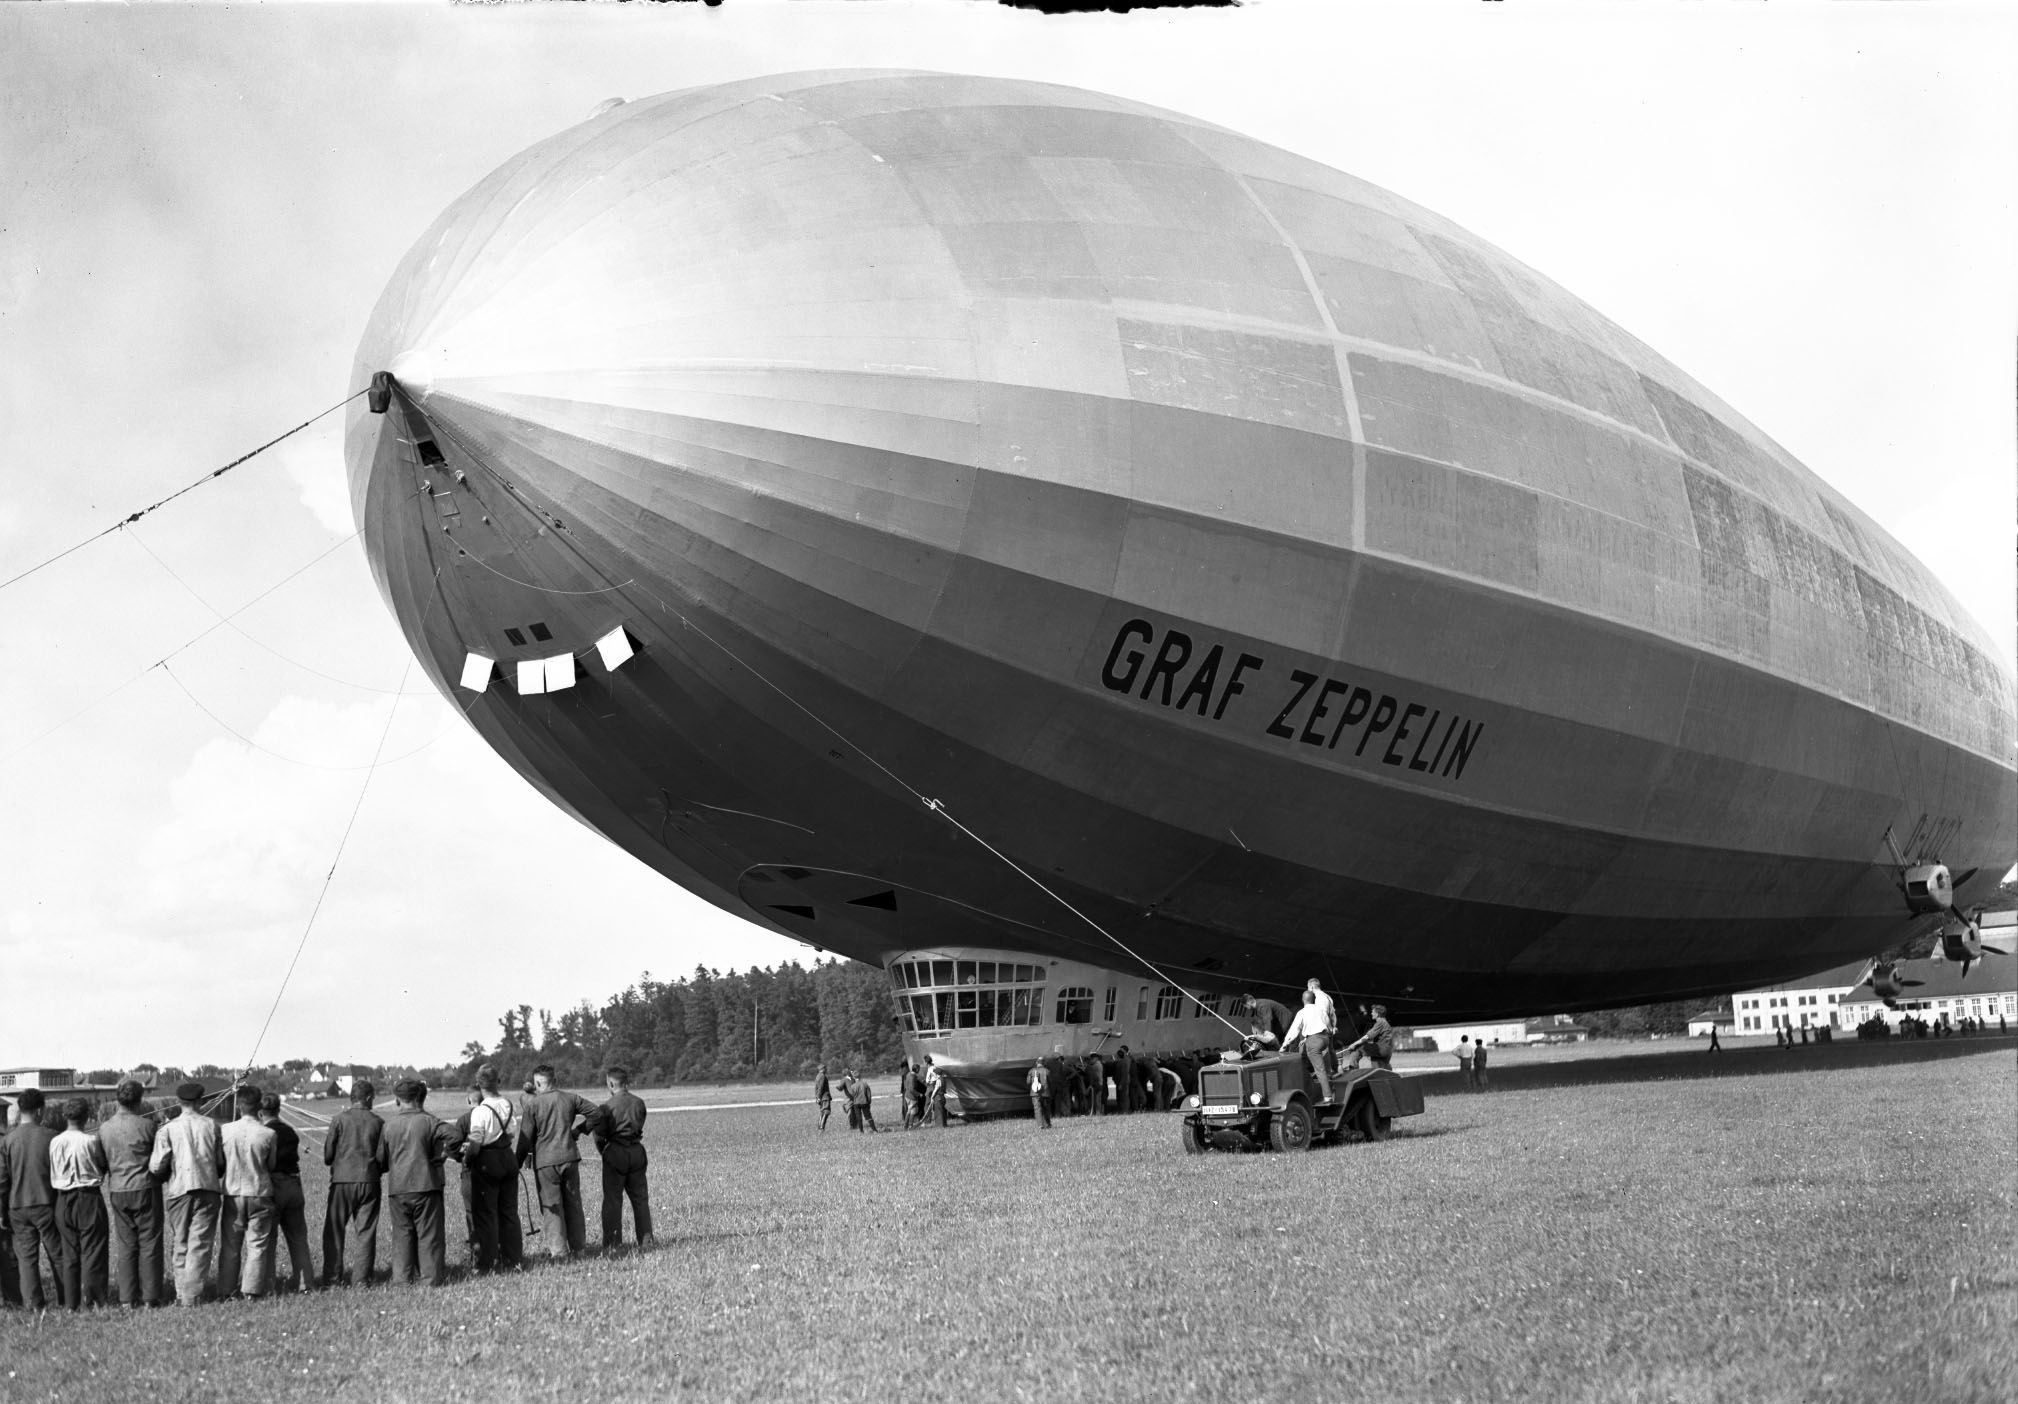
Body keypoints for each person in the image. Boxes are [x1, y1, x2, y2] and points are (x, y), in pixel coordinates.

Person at [149, 1082, 225, 1307]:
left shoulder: (167, 1130)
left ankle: (182, 1294)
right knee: (200, 1243)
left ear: (179, 1102)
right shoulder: (212, 1125)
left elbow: (156, 1166)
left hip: (179, 1191)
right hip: (208, 1188)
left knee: (180, 1241)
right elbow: (220, 1161)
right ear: (200, 1101)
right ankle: (192, 1295)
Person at [377, 1079, 454, 1287]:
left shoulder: (388, 1126)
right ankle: (430, 1280)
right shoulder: (430, 1121)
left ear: (397, 1100)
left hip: (398, 1188)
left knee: (402, 1235)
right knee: (429, 1234)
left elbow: (381, 1162)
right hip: (426, 1185)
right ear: (419, 1098)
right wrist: (443, 1154)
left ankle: (401, 1280)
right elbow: (455, 1134)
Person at [96, 1080, 163, 1309]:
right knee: (150, 1242)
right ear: (139, 1100)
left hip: (118, 1189)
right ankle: (149, 1297)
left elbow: (101, 1162)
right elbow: (159, 1159)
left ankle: (126, 1298)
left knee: (126, 1245)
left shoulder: (104, 1128)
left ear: (117, 1099)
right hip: (145, 1188)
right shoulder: (148, 1126)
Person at [460, 1065, 526, 1274]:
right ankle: (514, 1260)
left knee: (486, 1214)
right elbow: (511, 1134)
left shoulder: (480, 1111)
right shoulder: (507, 1104)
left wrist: (468, 1159)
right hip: (507, 1157)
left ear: (479, 1084)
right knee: (509, 1212)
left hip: (488, 1161)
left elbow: (476, 1143)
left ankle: (487, 1263)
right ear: (498, 1081)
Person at [3, 1089, 65, 1310]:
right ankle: (66, 1299)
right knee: (57, 1254)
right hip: (47, 1203)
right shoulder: (51, 1136)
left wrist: (3, 1212)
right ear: (40, 1110)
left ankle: (33, 1304)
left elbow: (2, 1181)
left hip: (17, 1206)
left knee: (26, 1259)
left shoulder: (7, 1141)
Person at [522, 1065, 592, 1259]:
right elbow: (597, 1113)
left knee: (552, 1207)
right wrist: (579, 1130)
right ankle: (579, 1249)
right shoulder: (571, 1098)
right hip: (570, 1157)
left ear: (537, 1083)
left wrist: (518, 1161)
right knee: (574, 1205)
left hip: (545, 1162)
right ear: (555, 1080)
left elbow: (525, 1138)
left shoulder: (533, 1105)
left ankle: (559, 1252)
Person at [320, 1079, 385, 1287]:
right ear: (367, 1098)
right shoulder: (378, 1122)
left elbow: (328, 1156)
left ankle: (332, 1279)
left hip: (341, 1182)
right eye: (372, 1098)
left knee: (334, 1230)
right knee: (366, 1232)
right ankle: (361, 1280)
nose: (373, 1101)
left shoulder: (338, 1120)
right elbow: (383, 1158)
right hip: (370, 1181)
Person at [217, 1085, 277, 1301]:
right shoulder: (269, 1133)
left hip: (233, 1193)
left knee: (231, 1245)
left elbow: (220, 1162)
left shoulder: (225, 1130)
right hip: (260, 1192)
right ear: (259, 1106)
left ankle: (226, 1289)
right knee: (257, 1244)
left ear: (238, 1105)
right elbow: (271, 1164)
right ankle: (251, 1291)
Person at [49, 1097, 109, 1311]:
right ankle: (93, 1299)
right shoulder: (91, 1141)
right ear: (86, 1117)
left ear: (66, 1116)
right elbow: (102, 1167)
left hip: (63, 1198)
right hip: (88, 1196)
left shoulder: (55, 1142)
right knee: (93, 1250)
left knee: (69, 1253)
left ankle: (71, 1302)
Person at [257, 1094, 314, 1295]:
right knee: (298, 1237)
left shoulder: (263, 1133)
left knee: (269, 1239)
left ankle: (269, 1284)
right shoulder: (290, 1132)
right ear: (279, 1110)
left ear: (260, 1112)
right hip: (294, 1185)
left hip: (273, 1186)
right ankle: (305, 1282)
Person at [591, 1066, 651, 1252]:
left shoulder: (606, 1107)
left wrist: (606, 1152)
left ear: (610, 1083)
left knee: (612, 1200)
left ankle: (613, 1243)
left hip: (615, 1152)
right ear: (627, 1083)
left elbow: (599, 1135)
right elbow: (640, 1125)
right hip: (636, 1150)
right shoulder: (639, 1103)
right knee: (641, 1200)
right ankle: (646, 1240)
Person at [1281, 991, 1336, 1102]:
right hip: (1324, 1039)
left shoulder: (1301, 1012)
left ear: (1303, 1000)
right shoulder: (1320, 1010)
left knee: (1319, 1069)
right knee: (1304, 1056)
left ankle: (1327, 1096)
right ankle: (1316, 1080)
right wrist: (1307, 1039)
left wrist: (1284, 1045)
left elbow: (1294, 1030)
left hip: (1314, 1041)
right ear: (1314, 1000)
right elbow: (1329, 1027)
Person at [1343, 1004, 1395, 1071]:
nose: (1371, 1013)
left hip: (1381, 1050)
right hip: (1387, 1051)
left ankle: (1353, 1069)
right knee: (1379, 1068)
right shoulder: (1385, 1022)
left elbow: (1367, 1036)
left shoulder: (1380, 1022)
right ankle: (1389, 1076)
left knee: (1357, 1048)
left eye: (1373, 1012)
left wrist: (1354, 1044)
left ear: (1377, 1014)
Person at [1026, 1059, 1051, 1128]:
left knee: (1037, 1109)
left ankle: (1040, 1125)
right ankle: (1047, 1124)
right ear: (1044, 1063)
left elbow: (1028, 1082)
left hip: (1035, 1093)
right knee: (1046, 1109)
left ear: (1037, 1063)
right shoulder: (1047, 1071)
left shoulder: (1031, 1071)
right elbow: (1051, 1082)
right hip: (1045, 1093)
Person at [923, 1056, 946, 1128]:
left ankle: (927, 1121)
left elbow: (927, 1081)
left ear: (926, 1062)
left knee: (927, 1104)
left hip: (932, 1086)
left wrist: (926, 1083)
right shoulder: (936, 1068)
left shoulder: (930, 1069)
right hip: (938, 1087)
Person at [812, 1064, 832, 1133]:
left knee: (822, 1112)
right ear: (822, 1069)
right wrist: (819, 1097)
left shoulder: (817, 1076)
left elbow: (816, 1088)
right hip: (825, 1097)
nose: (826, 1070)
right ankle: (821, 1128)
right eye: (825, 1068)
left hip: (821, 1097)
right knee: (826, 1112)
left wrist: (817, 1097)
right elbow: (820, 1087)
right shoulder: (822, 1076)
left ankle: (819, 1128)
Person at [1086, 1050, 1106, 1116]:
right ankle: (1098, 1112)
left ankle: (1096, 1112)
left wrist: (1090, 1085)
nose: (1090, 1060)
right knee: (1098, 1099)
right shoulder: (1099, 1064)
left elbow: (1094, 1076)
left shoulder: (1095, 1066)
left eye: (1091, 1059)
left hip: (1096, 1084)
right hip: (1100, 1083)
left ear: (1095, 1058)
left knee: (1095, 1099)